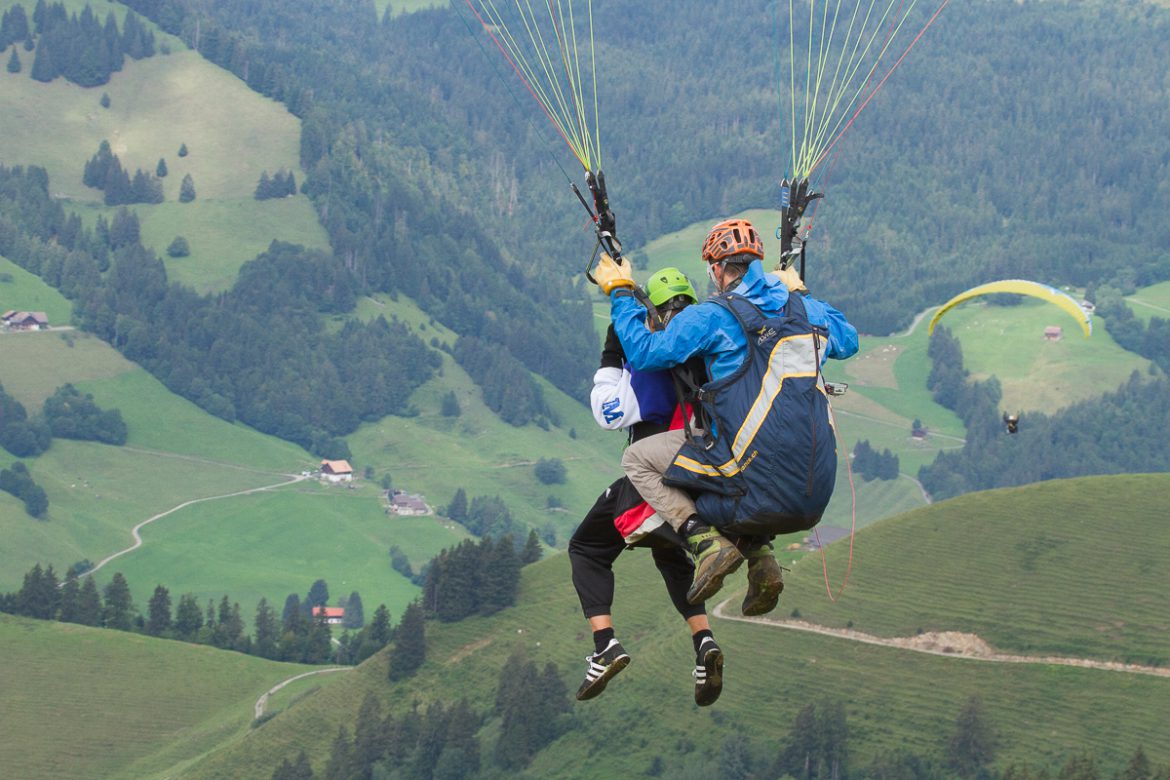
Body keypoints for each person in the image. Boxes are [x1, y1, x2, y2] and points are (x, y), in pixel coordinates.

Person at [593, 218, 859, 613]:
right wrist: (798, 290)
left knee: (641, 460)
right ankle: (763, 560)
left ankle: (704, 541)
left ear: (718, 269)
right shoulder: (806, 309)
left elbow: (647, 352)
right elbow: (848, 340)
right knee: (747, 462)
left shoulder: (713, 316)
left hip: (754, 490)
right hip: (814, 494)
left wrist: (619, 293)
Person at [569, 268, 724, 706]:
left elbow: (608, 413)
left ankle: (606, 646)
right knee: (670, 554)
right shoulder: (707, 359)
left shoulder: (652, 366)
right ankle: (704, 642)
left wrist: (612, 353)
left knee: (586, 549)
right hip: (701, 485)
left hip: (653, 482)